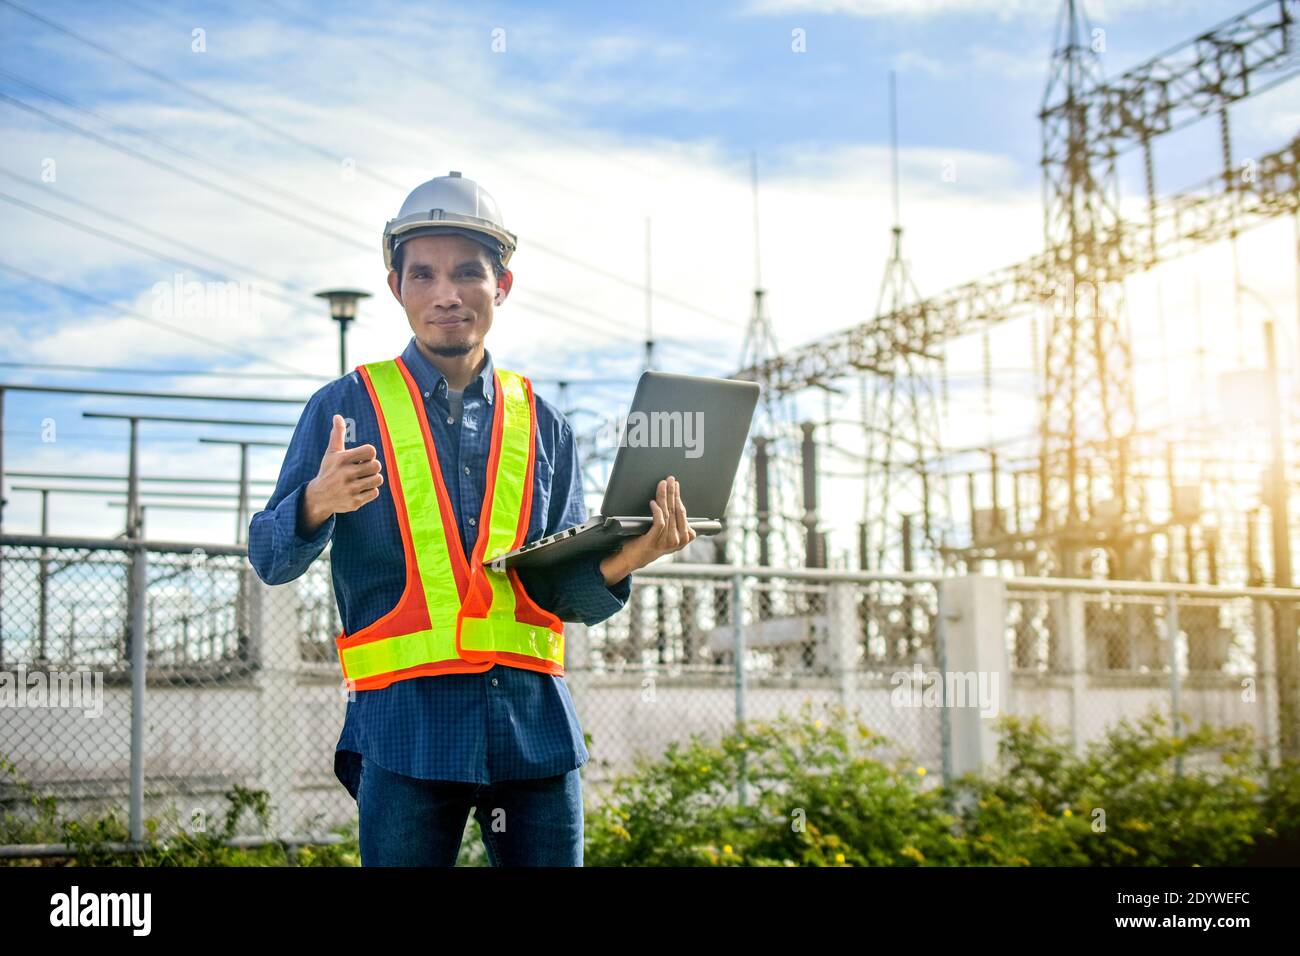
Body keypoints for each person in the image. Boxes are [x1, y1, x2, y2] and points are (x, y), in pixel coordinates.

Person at [248, 172, 696, 866]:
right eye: (422, 274)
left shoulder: (545, 425)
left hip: (532, 731)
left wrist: (633, 554)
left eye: (467, 273)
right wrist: (316, 502)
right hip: (405, 734)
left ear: (502, 286)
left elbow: (557, 592)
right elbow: (270, 557)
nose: (446, 294)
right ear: (395, 286)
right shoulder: (343, 409)